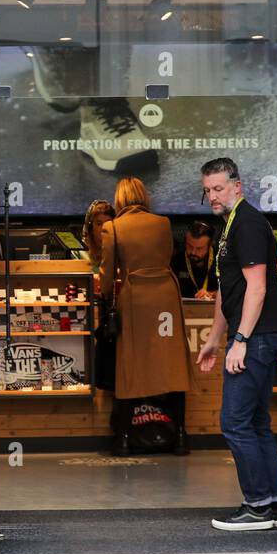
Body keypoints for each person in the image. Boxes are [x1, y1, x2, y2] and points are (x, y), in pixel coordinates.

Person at [194, 157, 277, 531]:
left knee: (234, 423)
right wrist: (215, 339)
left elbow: (258, 286)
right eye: (208, 190)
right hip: (255, 336)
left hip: (258, 337)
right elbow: (225, 291)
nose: (213, 196)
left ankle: (257, 506)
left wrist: (241, 340)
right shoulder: (229, 225)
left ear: (237, 185)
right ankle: (273, 504)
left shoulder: (247, 223)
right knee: (256, 423)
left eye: (219, 188)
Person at [98, 177, 191, 456]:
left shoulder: (112, 227)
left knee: (130, 367)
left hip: (135, 298)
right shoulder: (163, 223)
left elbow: (107, 272)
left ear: (120, 198)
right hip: (166, 298)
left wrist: (104, 298)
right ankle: (181, 437)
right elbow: (167, 258)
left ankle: (125, 438)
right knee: (171, 363)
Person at [82, 200, 116, 393]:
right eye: (98, 223)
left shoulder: (122, 254)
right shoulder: (80, 258)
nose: (103, 228)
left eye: (108, 222)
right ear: (90, 227)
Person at [172, 219, 219, 299]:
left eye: (199, 248)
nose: (193, 252)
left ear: (210, 246)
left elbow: (233, 291)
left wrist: (213, 294)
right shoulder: (176, 261)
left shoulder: (222, 260)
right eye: (190, 246)